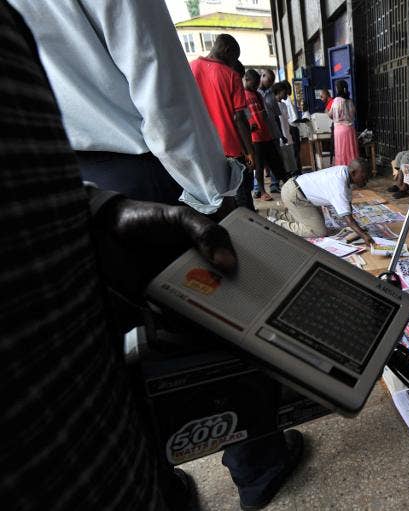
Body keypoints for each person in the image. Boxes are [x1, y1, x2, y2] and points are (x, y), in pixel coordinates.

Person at [0, 4, 239, 509]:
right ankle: (257, 468)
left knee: (121, 359)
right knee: (218, 334)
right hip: (147, 173)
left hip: (84, 187)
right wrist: (212, 195)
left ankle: (162, 478)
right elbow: (161, 87)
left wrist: (95, 204)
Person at [7, 0, 242, 215]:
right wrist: (215, 195)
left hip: (77, 179)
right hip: (149, 175)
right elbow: (163, 94)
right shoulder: (229, 76)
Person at [189, 34, 257, 211]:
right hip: (229, 147)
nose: (234, 62)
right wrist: (249, 152)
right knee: (241, 196)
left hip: (200, 148)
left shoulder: (189, 69)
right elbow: (239, 118)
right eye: (234, 57)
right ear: (227, 51)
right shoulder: (231, 75)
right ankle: (248, 231)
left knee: (214, 198)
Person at [271, 159, 374, 245]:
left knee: (317, 222)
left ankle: (277, 214)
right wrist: (364, 235)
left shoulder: (344, 170)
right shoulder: (339, 186)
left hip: (300, 192)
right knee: (318, 231)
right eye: (364, 178)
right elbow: (348, 219)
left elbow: (347, 204)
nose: (366, 181)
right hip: (294, 195)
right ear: (354, 173)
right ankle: (275, 223)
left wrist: (358, 229)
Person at [244, 68, 288, 203]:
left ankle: (289, 186)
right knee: (259, 166)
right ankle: (262, 191)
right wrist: (249, 127)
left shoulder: (257, 95)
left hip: (266, 134)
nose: (256, 86)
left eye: (258, 83)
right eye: (254, 83)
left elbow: (265, 114)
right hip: (254, 138)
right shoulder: (242, 95)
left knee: (277, 163)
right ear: (246, 80)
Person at [258, 68, 290, 195]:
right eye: (269, 80)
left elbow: (276, 116)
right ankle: (258, 189)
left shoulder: (271, 94)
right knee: (259, 163)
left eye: (272, 81)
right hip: (260, 134)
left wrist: (281, 134)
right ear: (262, 76)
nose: (271, 83)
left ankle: (275, 184)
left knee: (276, 160)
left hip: (273, 133)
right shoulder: (255, 93)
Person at [272, 81, 300, 176]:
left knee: (291, 165)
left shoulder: (283, 105)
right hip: (280, 139)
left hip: (288, 137)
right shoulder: (272, 105)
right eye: (285, 92)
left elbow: (287, 121)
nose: (286, 94)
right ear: (279, 91)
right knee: (284, 166)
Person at [330, 80, 359, 166]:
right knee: (351, 151)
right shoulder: (350, 101)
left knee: (341, 152)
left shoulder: (336, 101)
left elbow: (330, 114)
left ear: (337, 89)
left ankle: (343, 170)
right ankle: (354, 169)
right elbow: (354, 113)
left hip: (339, 130)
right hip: (349, 129)